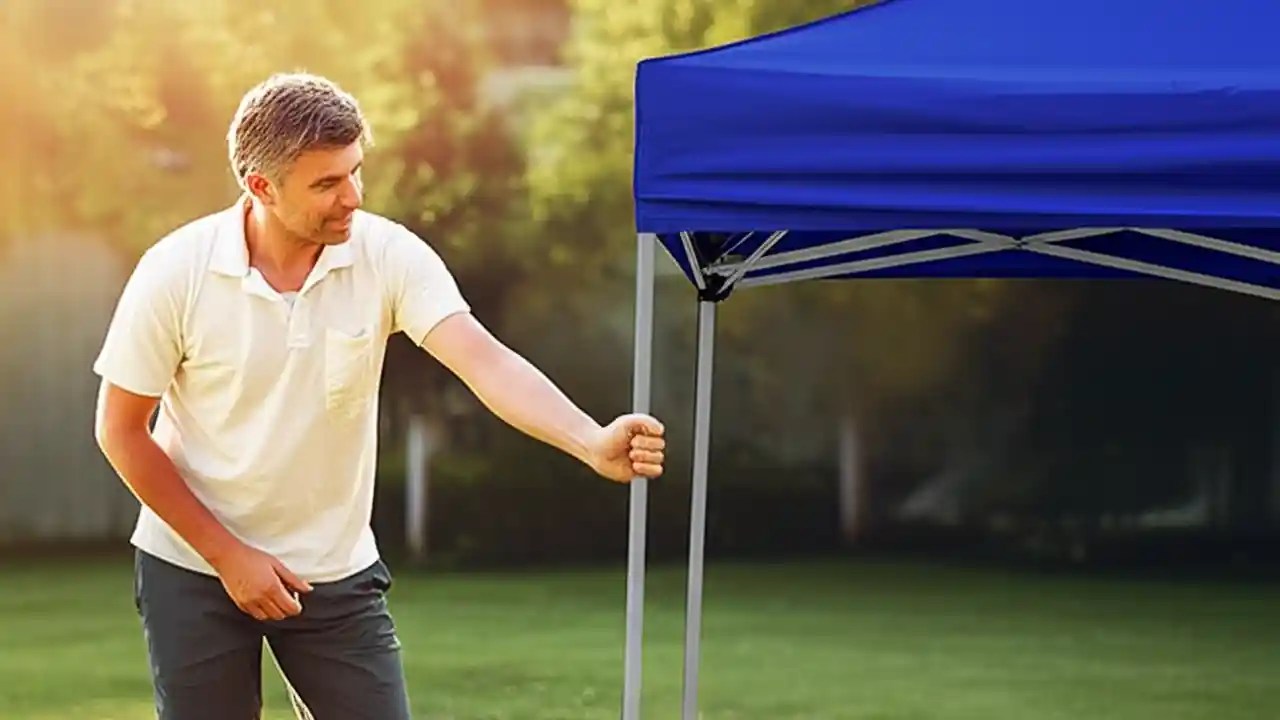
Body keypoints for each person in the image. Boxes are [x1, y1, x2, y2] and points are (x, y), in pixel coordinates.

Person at [92, 72, 666, 720]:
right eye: (327, 184)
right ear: (260, 187)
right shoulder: (177, 272)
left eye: (356, 172)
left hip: (334, 570)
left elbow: (484, 362)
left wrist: (590, 441)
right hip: (194, 564)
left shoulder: (387, 256)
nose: (353, 198)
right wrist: (227, 555)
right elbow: (120, 430)